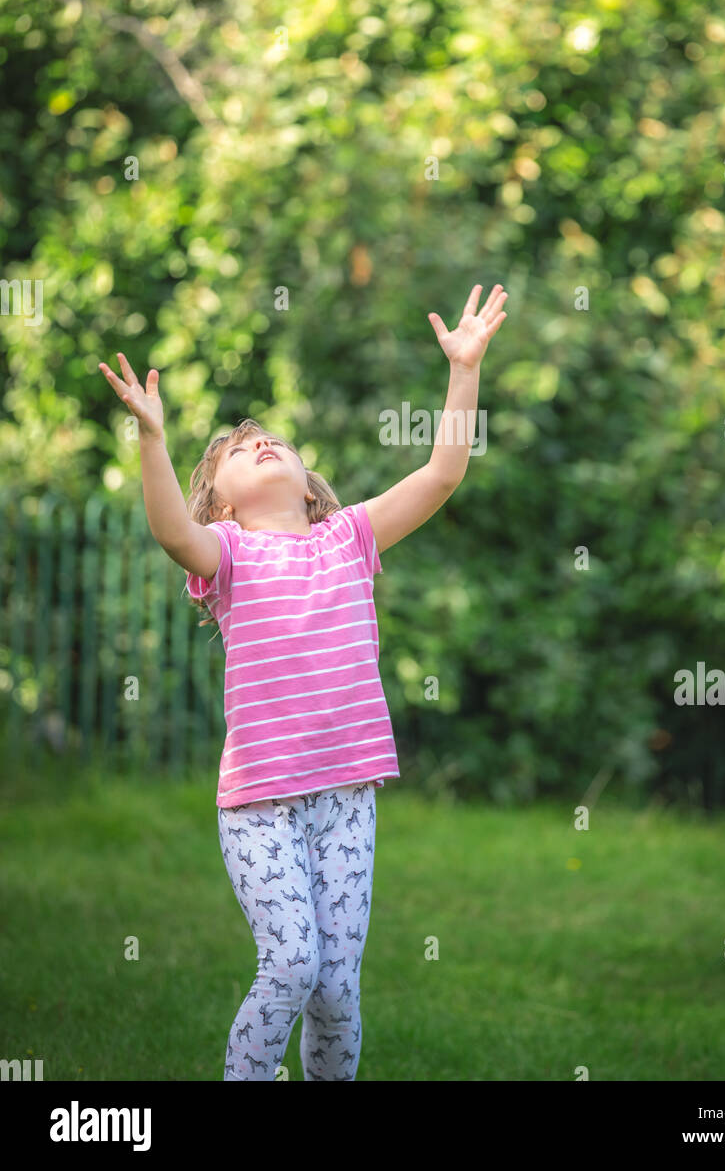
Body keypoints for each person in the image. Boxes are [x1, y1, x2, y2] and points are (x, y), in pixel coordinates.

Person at [98, 282, 508, 1080]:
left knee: (335, 992)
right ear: (218, 501)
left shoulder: (348, 538)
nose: (256, 440)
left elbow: (443, 472)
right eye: (234, 448)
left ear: (307, 479)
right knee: (290, 965)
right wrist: (152, 438)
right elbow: (169, 531)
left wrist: (463, 371)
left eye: (270, 438)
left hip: (346, 799)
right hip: (260, 807)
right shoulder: (229, 557)